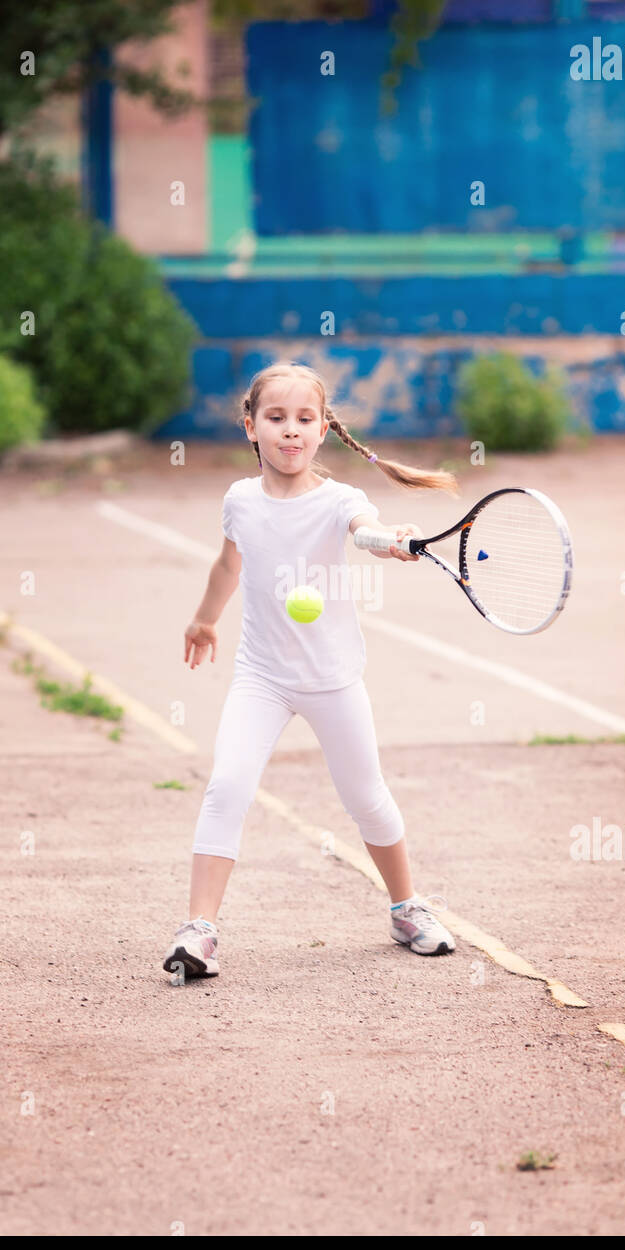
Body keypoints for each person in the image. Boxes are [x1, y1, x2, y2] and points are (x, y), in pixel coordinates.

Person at [163, 362, 461, 980]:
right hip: (261, 677)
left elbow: (367, 533)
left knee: (366, 799)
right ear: (251, 427)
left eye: (304, 419)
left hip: (333, 679)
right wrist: (204, 619)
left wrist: (394, 540)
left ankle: (406, 908)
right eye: (276, 419)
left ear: (324, 429)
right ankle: (199, 932)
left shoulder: (339, 501)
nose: (290, 431)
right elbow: (228, 565)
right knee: (227, 786)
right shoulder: (240, 500)